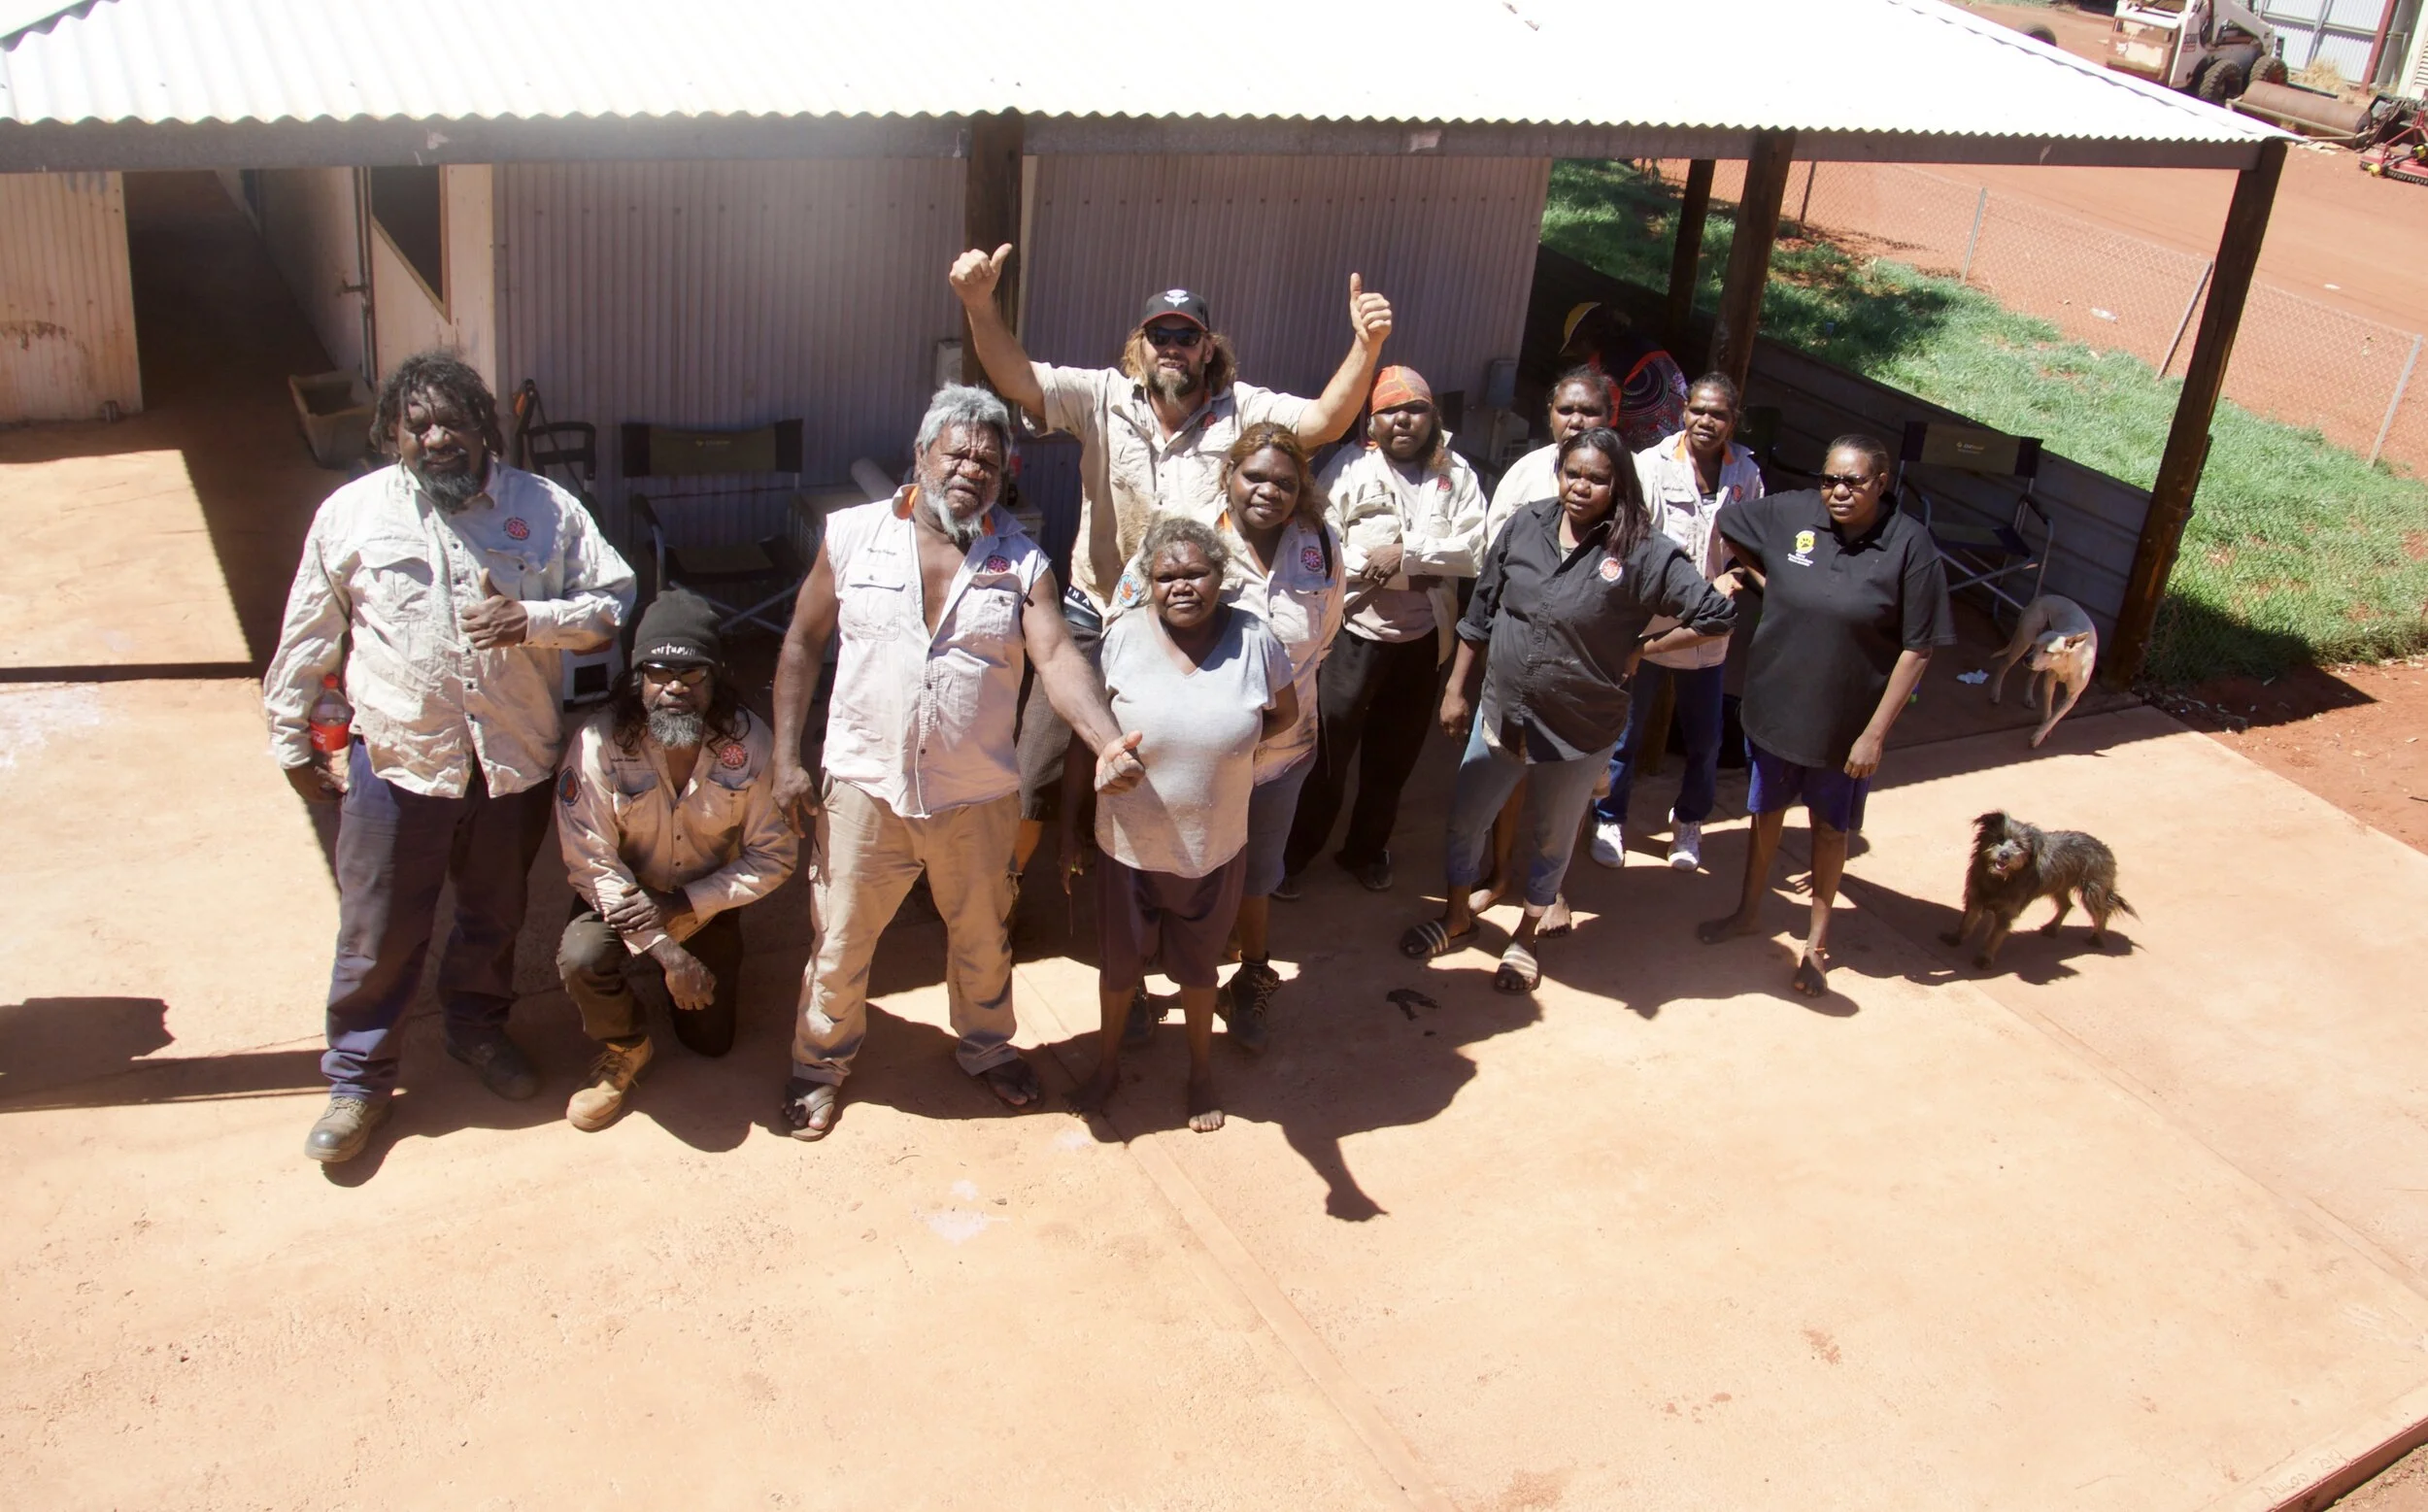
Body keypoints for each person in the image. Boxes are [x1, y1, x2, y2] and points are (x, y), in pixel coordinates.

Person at [265, 350, 635, 1164]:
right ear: (392, 433)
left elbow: (612, 599)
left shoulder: (545, 509)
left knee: (492, 916)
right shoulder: (353, 515)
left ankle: (476, 1030)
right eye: (417, 422)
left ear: (483, 428)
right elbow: (307, 632)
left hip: (514, 763)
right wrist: (291, 734)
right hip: (398, 760)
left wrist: (534, 619)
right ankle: (359, 1077)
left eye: (453, 421)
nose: (436, 436)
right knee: (379, 928)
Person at [767, 386, 1144, 1142]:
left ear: (1005, 474)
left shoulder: (1022, 558)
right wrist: (785, 757)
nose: (973, 467)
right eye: (959, 451)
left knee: (982, 934)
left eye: (990, 458)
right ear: (923, 455)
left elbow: (1058, 656)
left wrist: (1106, 739)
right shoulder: (851, 536)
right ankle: (820, 1062)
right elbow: (802, 643)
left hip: (975, 795)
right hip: (865, 787)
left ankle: (986, 1046)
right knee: (840, 937)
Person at [947, 245, 1391, 883]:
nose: (1173, 347)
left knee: (1174, 758)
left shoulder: (1246, 411)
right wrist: (979, 309)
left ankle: (1162, 896)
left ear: (1208, 348)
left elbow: (1324, 420)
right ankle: (1003, 892)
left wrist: (1365, 346)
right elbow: (1018, 378)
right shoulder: (1101, 396)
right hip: (1094, 609)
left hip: (1183, 623)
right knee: (1042, 758)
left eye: (1188, 336)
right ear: (1141, 345)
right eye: (1161, 335)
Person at [1401, 428, 1735, 992]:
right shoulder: (1527, 524)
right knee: (1466, 820)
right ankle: (1457, 916)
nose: (1581, 487)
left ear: (1619, 484)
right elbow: (1481, 611)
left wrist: (1644, 648)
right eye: (1572, 473)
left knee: (1554, 838)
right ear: (1558, 472)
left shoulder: (1641, 549)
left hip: (1581, 727)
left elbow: (1714, 612)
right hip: (1502, 711)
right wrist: (1456, 688)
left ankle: (1526, 937)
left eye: (1598, 478)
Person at [1699, 434, 1955, 997]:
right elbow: (1732, 522)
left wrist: (1874, 735)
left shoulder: (1910, 546)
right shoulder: (1797, 512)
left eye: (1853, 481)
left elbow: (1918, 648)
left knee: (1830, 830)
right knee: (1764, 812)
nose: (1838, 491)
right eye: (1830, 479)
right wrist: (1775, 584)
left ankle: (1815, 945)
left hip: (1844, 725)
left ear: (1881, 484)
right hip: (1776, 704)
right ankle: (1747, 912)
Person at [1074, 518, 1297, 1134]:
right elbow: (1086, 737)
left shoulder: (1256, 639)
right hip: (1127, 844)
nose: (1181, 585)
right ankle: (1107, 1063)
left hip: (1214, 845)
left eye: (1196, 572)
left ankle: (1200, 1071)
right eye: (1165, 575)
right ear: (1147, 581)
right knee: (1120, 970)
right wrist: (1072, 826)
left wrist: (1224, 750)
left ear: (1221, 577)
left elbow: (1285, 713)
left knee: (1200, 970)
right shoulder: (1120, 638)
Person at [553, 589, 796, 1131]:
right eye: (659, 672)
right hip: (626, 898)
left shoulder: (750, 744)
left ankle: (701, 969)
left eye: (693, 674)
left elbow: (775, 854)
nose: (675, 689)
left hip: (704, 901)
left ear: (717, 677)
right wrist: (669, 952)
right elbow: (588, 859)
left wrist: (689, 905)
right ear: (637, 677)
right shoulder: (598, 743)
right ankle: (625, 1044)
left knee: (713, 1045)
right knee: (582, 956)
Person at [1282, 365, 1486, 896]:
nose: (1403, 420)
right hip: (1352, 638)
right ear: (1372, 423)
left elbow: (1474, 550)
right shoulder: (1349, 469)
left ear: (1432, 415)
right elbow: (1318, 544)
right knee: (1324, 756)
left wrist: (1407, 557)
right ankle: (1293, 857)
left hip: (1422, 647)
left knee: (1392, 759)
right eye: (1390, 411)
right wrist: (1411, 570)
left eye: (1415, 409)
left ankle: (1365, 851)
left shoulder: (1457, 475)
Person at [1589, 373, 1767, 873]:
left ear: (1735, 420)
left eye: (1719, 414)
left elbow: (1750, 545)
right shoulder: (1650, 466)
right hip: (1647, 619)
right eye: (1699, 410)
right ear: (1685, 411)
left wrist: (1735, 578)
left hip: (1706, 624)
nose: (1707, 421)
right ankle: (1609, 816)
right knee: (1626, 730)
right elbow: (1627, 538)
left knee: (1705, 736)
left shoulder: (1745, 475)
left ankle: (1689, 821)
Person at [1209, 424, 1344, 1052]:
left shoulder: (1318, 544)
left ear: (1301, 492)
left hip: (1284, 753)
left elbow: (1328, 629)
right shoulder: (1196, 539)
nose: (1269, 491)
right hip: (1205, 751)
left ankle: (1252, 974)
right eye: (1254, 476)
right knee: (1190, 870)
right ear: (1229, 475)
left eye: (1285, 483)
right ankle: (1170, 982)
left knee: (1260, 871)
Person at [1483, 365, 1614, 547]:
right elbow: (1495, 545)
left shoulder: (1635, 475)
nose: (1575, 422)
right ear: (1550, 413)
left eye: (1589, 412)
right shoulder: (1524, 471)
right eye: (1566, 411)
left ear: (1610, 416)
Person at [1560, 302, 1688, 452]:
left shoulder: (1605, 364)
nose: (1579, 357)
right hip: (1679, 442)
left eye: (1576, 349)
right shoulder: (1646, 345)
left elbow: (1604, 424)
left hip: (1650, 453)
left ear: (1584, 340)